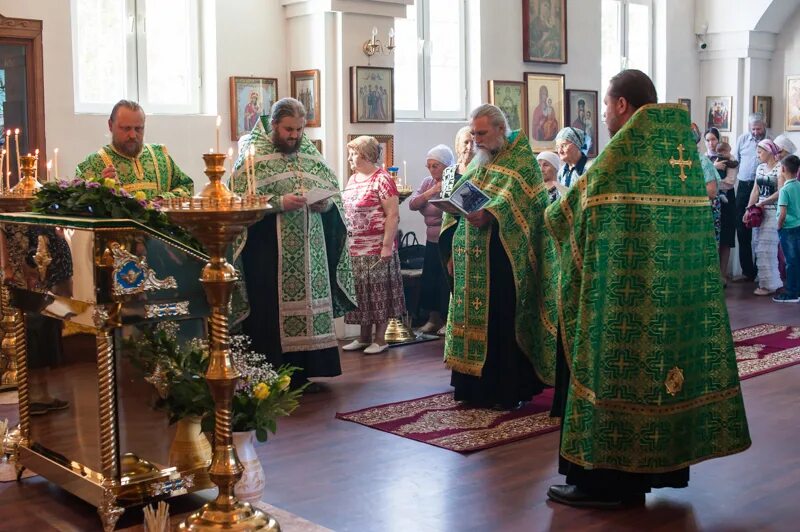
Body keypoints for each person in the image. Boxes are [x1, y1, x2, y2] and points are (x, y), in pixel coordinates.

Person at [544, 69, 750, 508]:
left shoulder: (623, 154)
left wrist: (553, 209)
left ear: (622, 105)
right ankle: (657, 470)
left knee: (615, 376)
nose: (603, 115)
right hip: (674, 299)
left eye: (606, 106)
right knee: (663, 377)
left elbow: (571, 212)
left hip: (623, 299)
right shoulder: (680, 154)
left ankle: (604, 485)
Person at [232, 97, 356, 392]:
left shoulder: (309, 151)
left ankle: (305, 370)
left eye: (300, 130)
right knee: (268, 310)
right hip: (267, 250)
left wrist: (325, 204)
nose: (295, 136)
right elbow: (238, 199)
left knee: (309, 308)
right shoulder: (252, 152)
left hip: (310, 252)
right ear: (274, 125)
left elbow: (333, 194)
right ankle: (270, 372)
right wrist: (278, 203)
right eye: (289, 130)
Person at [439, 104, 557, 410]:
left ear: (500, 130)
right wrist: (453, 224)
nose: (476, 139)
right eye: (473, 133)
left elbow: (524, 204)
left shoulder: (522, 162)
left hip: (503, 260)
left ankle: (502, 390)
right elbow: (463, 195)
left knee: (500, 321)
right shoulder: (481, 162)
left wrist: (491, 212)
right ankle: (470, 388)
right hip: (470, 257)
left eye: (482, 133)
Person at [341, 136, 406, 355]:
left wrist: (386, 246)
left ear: (367, 156)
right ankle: (363, 337)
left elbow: (392, 215)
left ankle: (380, 339)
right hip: (355, 249)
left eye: (353, 154)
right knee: (361, 294)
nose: (350, 158)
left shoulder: (382, 179)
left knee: (379, 294)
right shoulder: (352, 180)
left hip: (377, 248)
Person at [75, 100, 195, 199]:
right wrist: (100, 190)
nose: (133, 135)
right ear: (110, 125)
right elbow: (78, 202)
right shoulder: (93, 164)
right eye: (126, 128)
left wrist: (163, 199)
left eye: (138, 128)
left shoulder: (161, 158)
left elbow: (187, 187)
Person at [408, 144, 455, 335]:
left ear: (446, 165)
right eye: (429, 166)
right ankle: (433, 319)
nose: (431, 170)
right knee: (430, 280)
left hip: (447, 239)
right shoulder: (428, 182)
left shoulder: (453, 182)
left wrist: (430, 199)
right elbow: (412, 203)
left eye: (435, 165)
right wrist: (431, 192)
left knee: (445, 282)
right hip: (430, 239)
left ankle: (447, 319)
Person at [734, 112, 770, 281]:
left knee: (761, 228)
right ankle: (747, 271)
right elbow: (736, 161)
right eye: (753, 129)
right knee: (742, 227)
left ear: (764, 126)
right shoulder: (742, 139)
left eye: (759, 128)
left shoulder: (771, 141)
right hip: (743, 186)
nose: (756, 132)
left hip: (763, 187)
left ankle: (760, 270)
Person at [745, 139, 783, 296]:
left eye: (760, 152)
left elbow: (781, 191)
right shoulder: (760, 168)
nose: (758, 155)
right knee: (758, 247)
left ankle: (769, 285)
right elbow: (755, 190)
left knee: (767, 249)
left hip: (773, 212)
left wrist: (764, 201)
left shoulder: (780, 168)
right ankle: (768, 282)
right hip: (759, 213)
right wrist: (748, 209)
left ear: (769, 152)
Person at [705, 127, 738, 283]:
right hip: (709, 201)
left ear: (719, 140)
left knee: (725, 237)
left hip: (726, 200)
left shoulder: (729, 157)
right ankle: (709, 273)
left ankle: (722, 275)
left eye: (713, 139)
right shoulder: (704, 158)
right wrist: (714, 169)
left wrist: (714, 184)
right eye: (708, 140)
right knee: (710, 237)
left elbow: (730, 183)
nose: (711, 143)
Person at [775, 155, 800, 302]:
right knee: (797, 260)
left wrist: (779, 226)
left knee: (790, 262)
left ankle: (791, 293)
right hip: (798, 226)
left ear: (783, 169)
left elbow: (782, 213)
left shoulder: (785, 190)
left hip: (788, 229)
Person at [442, 126, 475, 198]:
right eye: (466, 142)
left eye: (473, 143)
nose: (469, 147)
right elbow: (445, 198)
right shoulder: (449, 171)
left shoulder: (482, 171)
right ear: (458, 146)